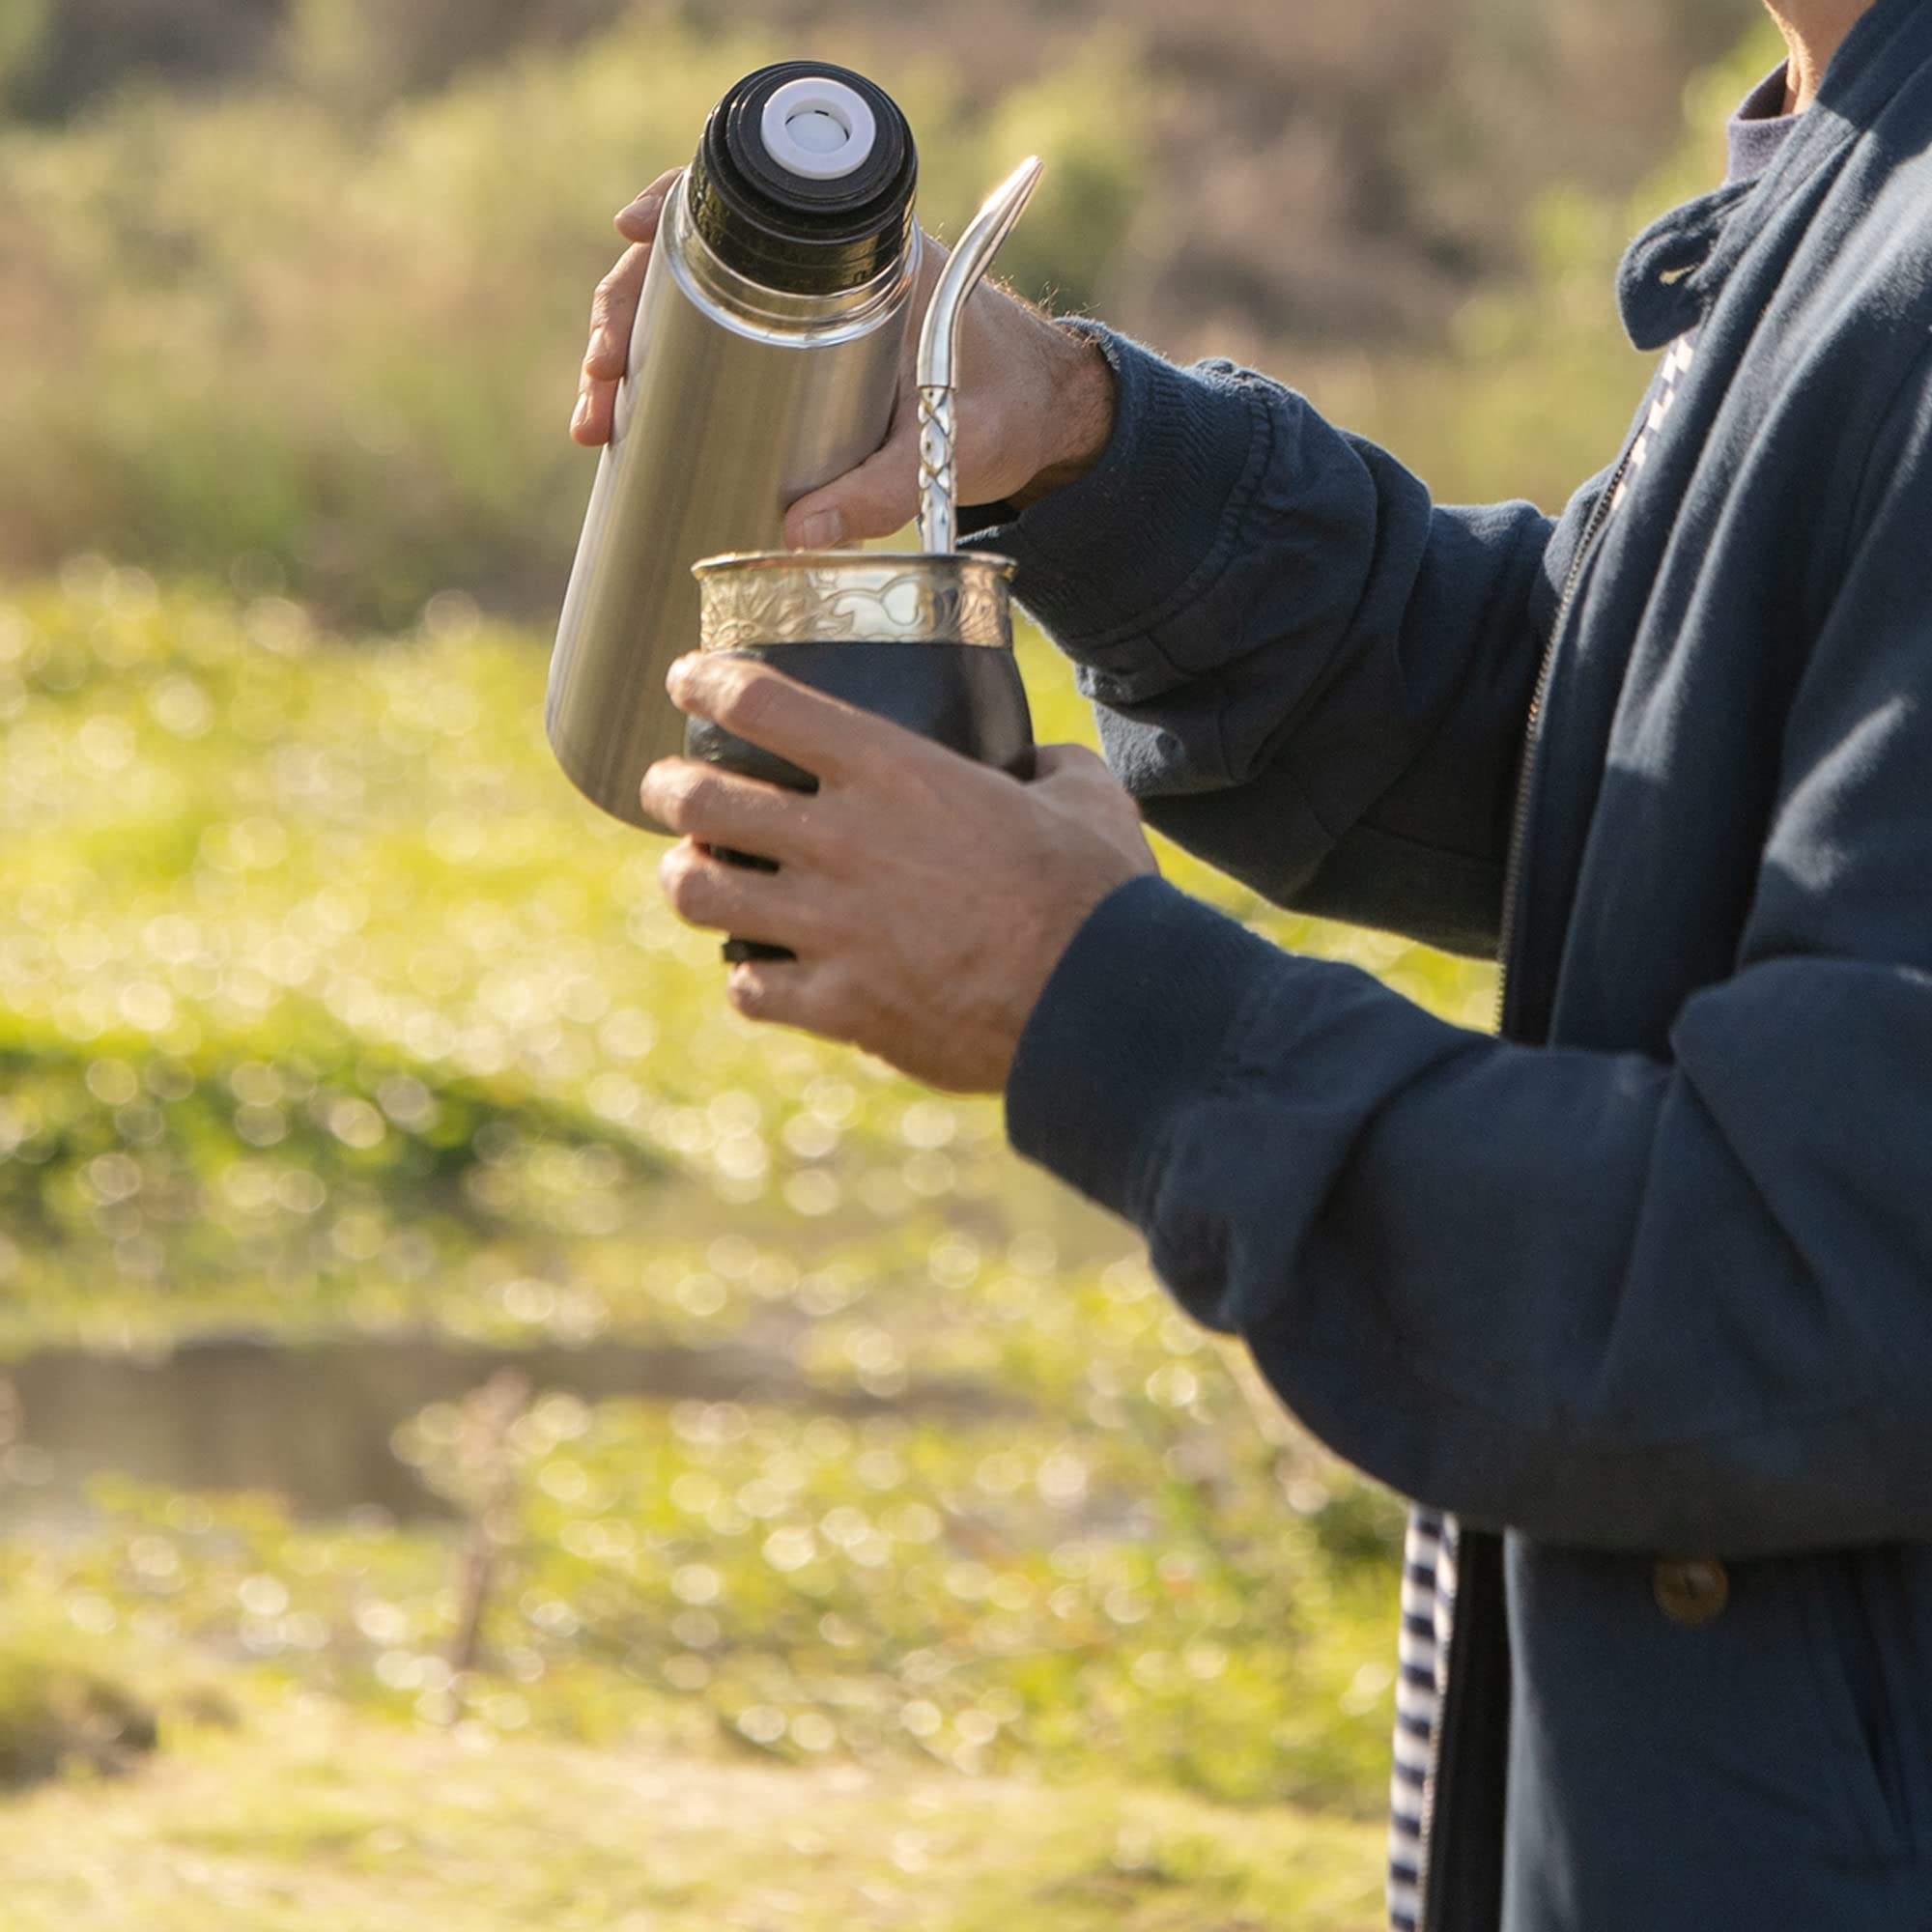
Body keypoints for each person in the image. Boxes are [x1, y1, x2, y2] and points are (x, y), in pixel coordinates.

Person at [573, 1, 1932, 1925]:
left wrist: (1096, 997)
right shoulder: (1857, 151)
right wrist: (1076, 439)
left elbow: (1817, 1275)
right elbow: (1630, 732)